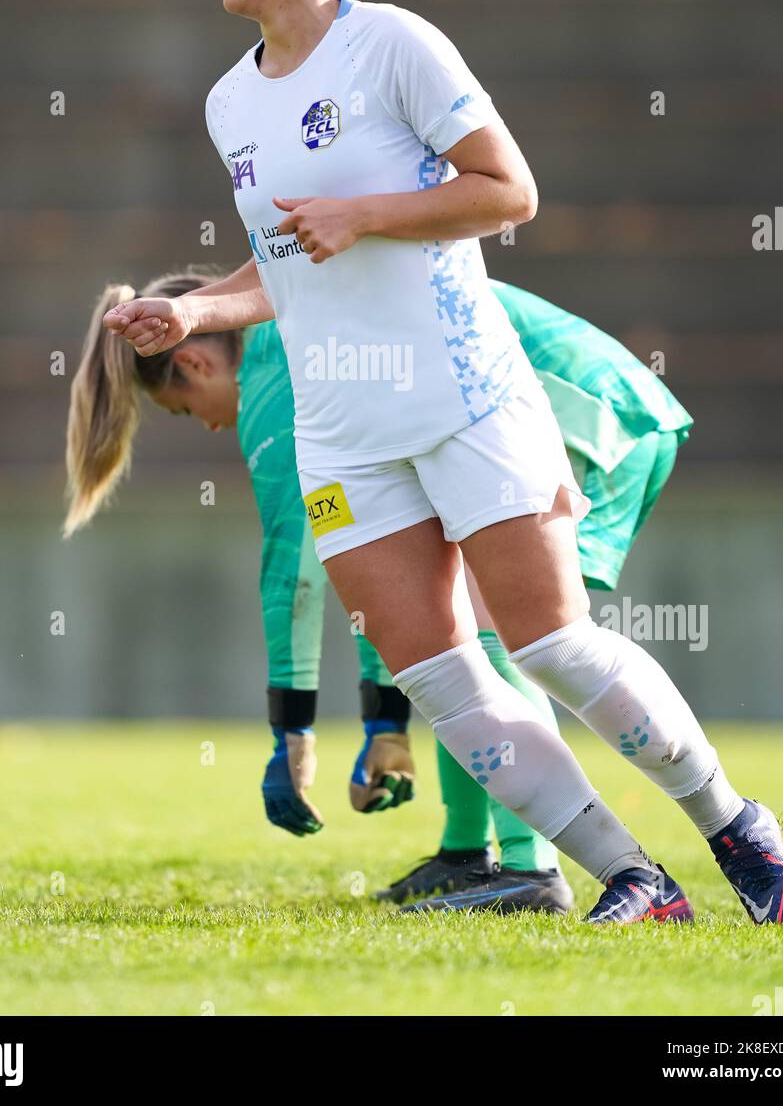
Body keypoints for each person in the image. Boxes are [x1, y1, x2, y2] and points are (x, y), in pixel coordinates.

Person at [103, 0, 783, 923]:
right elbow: (287, 262)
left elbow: (507, 191)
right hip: (343, 429)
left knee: (554, 644)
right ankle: (635, 875)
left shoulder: (398, 46)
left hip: (462, 393)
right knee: (442, 678)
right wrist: (197, 314)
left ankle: (736, 825)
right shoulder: (228, 100)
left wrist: (370, 212)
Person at [67, 266, 693, 916]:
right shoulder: (293, 335)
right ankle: (467, 855)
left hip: (589, 413)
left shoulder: (272, 377)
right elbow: (381, 561)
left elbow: (295, 571)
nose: (206, 427)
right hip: (605, 402)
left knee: (504, 632)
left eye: (183, 411)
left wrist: (292, 736)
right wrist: (382, 720)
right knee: (467, 627)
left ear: (196, 364)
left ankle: (534, 870)